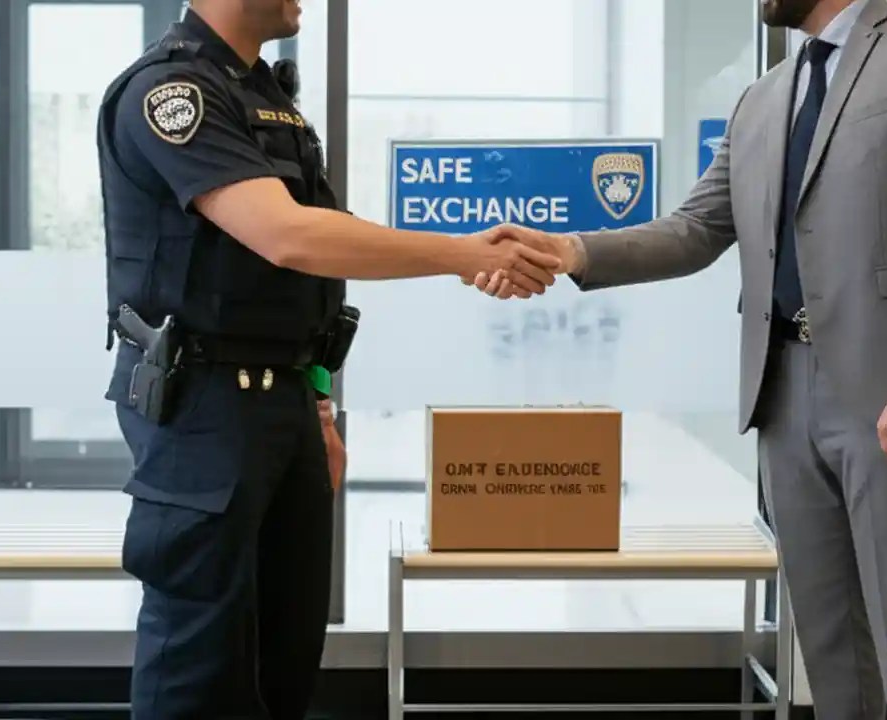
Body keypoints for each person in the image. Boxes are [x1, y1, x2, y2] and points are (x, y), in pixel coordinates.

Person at [471, 0, 887, 717]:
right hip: (783, 394)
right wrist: (572, 251)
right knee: (830, 645)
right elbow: (693, 231)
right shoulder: (764, 96)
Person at [95, 1, 559, 717]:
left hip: (282, 404)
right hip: (202, 408)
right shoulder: (174, 93)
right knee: (200, 663)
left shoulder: (266, 96)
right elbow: (288, 237)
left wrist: (316, 402)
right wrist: (465, 255)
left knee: (285, 654)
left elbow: (293, 285)